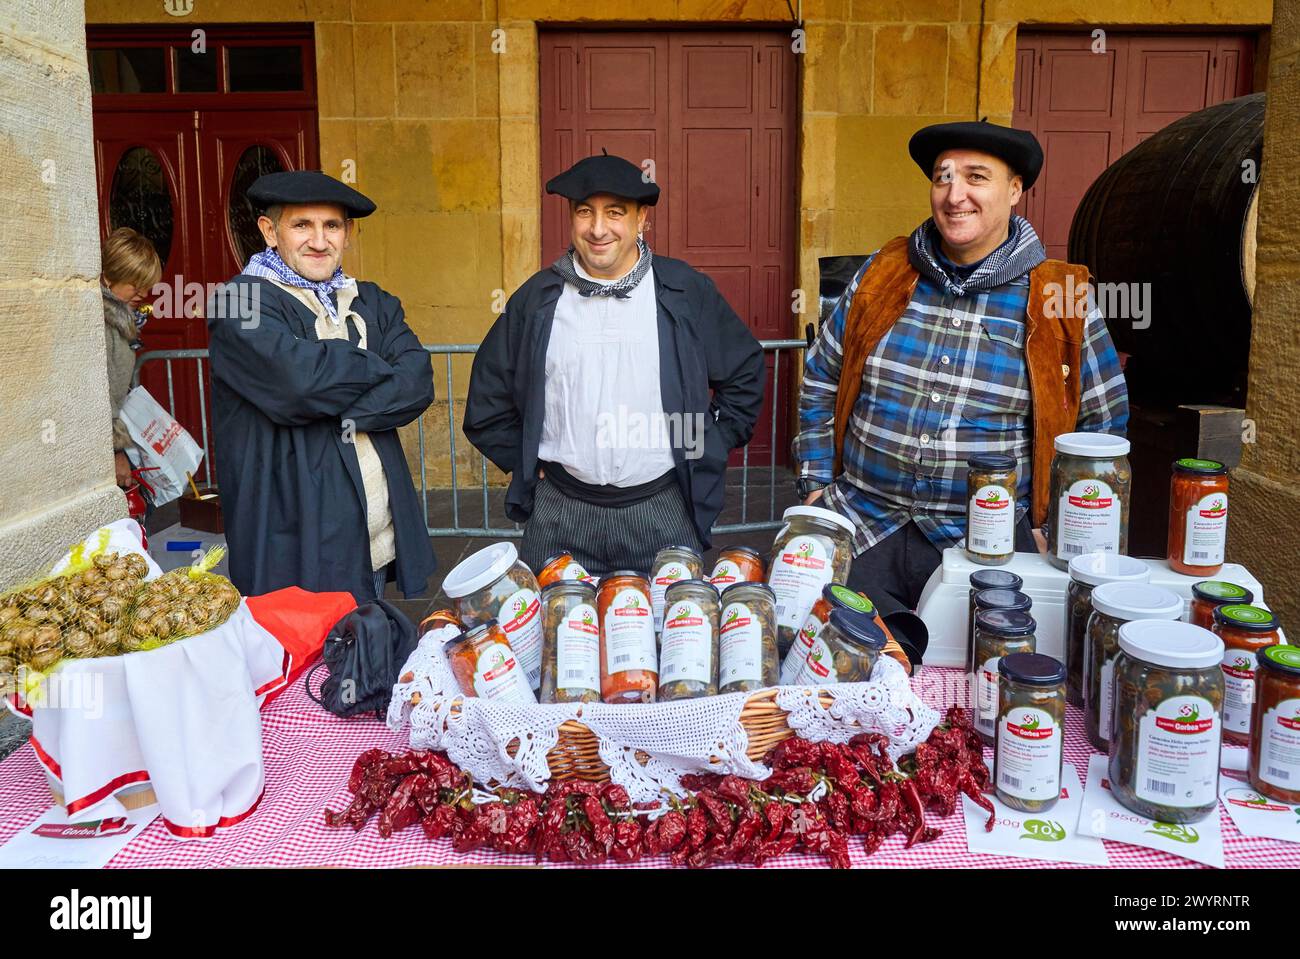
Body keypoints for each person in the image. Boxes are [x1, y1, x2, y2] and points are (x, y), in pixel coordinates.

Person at [793, 121, 1129, 646]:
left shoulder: (1060, 297)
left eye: (976, 177)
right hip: (862, 527)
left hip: (986, 543)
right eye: (942, 177)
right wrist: (815, 484)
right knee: (836, 668)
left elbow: (1101, 431)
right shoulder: (882, 274)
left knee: (977, 680)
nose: (955, 195)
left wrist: (1056, 529)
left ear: (1015, 190)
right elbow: (821, 378)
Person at [464, 153, 765, 575]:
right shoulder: (536, 300)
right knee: (554, 619)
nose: (598, 228)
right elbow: (487, 400)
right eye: (585, 212)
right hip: (559, 512)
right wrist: (525, 458)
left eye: (615, 213)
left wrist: (702, 443)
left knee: (668, 619)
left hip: (661, 509)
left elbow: (744, 371)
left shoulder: (684, 291)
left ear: (642, 219)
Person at [207, 170, 436, 600]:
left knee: (369, 638)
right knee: (306, 647)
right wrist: (373, 365)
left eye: (331, 225)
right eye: (301, 225)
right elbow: (298, 384)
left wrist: (335, 405)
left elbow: (417, 381)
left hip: (371, 542)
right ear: (269, 231)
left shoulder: (371, 300)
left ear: (347, 234)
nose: (319, 240)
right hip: (293, 550)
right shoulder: (239, 303)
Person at [100, 227, 160, 489]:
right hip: (106, 444)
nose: (144, 294)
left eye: (147, 286)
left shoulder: (120, 318)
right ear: (108, 278)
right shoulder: (102, 323)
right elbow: (101, 394)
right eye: (136, 285)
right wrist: (116, 452)